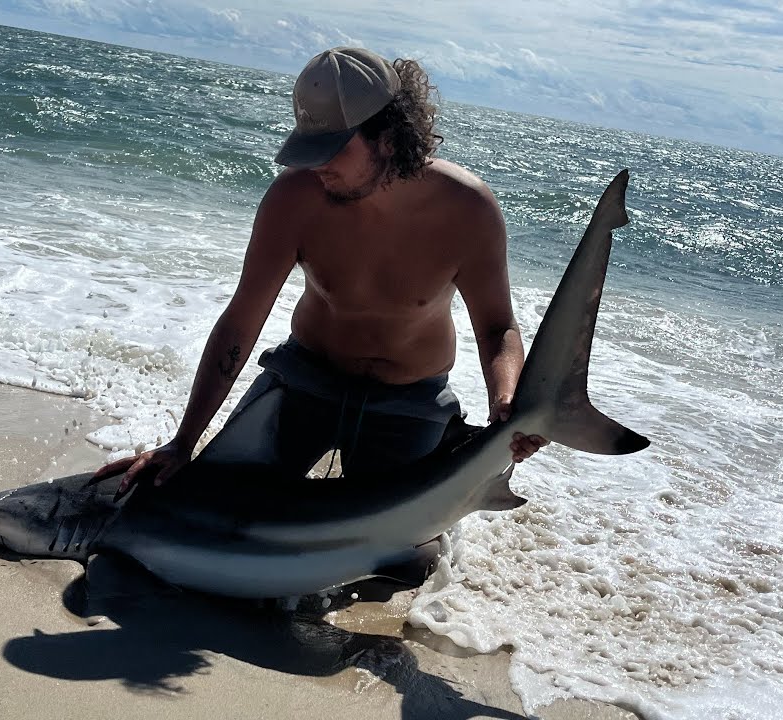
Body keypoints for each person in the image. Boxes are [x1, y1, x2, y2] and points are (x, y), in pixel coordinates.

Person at [100, 47, 546, 496]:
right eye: (307, 149)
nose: (317, 166)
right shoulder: (294, 199)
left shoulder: (468, 210)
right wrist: (183, 442)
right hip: (304, 378)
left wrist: (506, 399)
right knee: (206, 501)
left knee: (400, 558)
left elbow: (497, 325)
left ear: (388, 137)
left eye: (331, 150)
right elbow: (242, 319)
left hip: (411, 399)